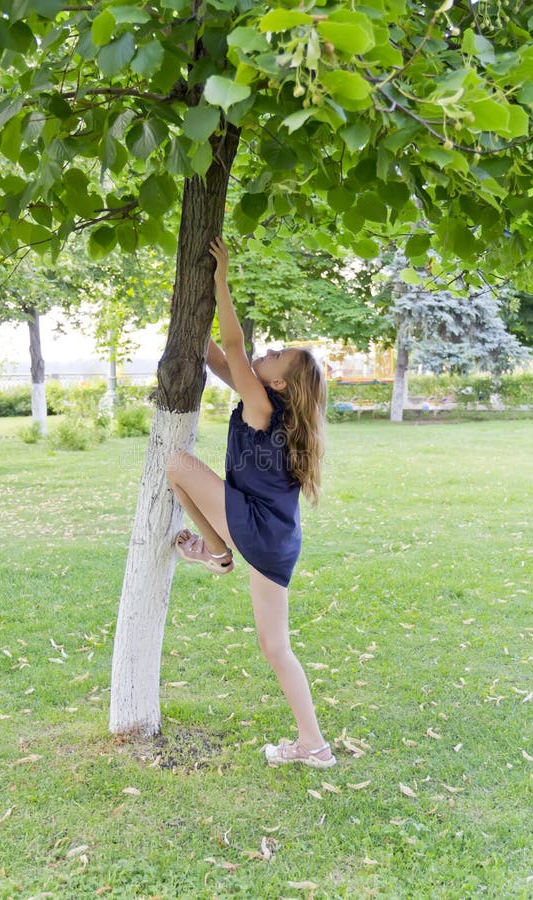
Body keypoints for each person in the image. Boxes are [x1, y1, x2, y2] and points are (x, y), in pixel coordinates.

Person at [166, 237, 335, 769]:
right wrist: (184, 310)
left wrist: (220, 281)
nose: (266, 352)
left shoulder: (264, 407)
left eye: (275, 356)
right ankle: (314, 747)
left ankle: (216, 552)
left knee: (177, 467)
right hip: (277, 541)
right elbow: (217, 356)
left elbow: (234, 350)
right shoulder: (260, 399)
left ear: (280, 381)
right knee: (274, 647)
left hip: (259, 531)